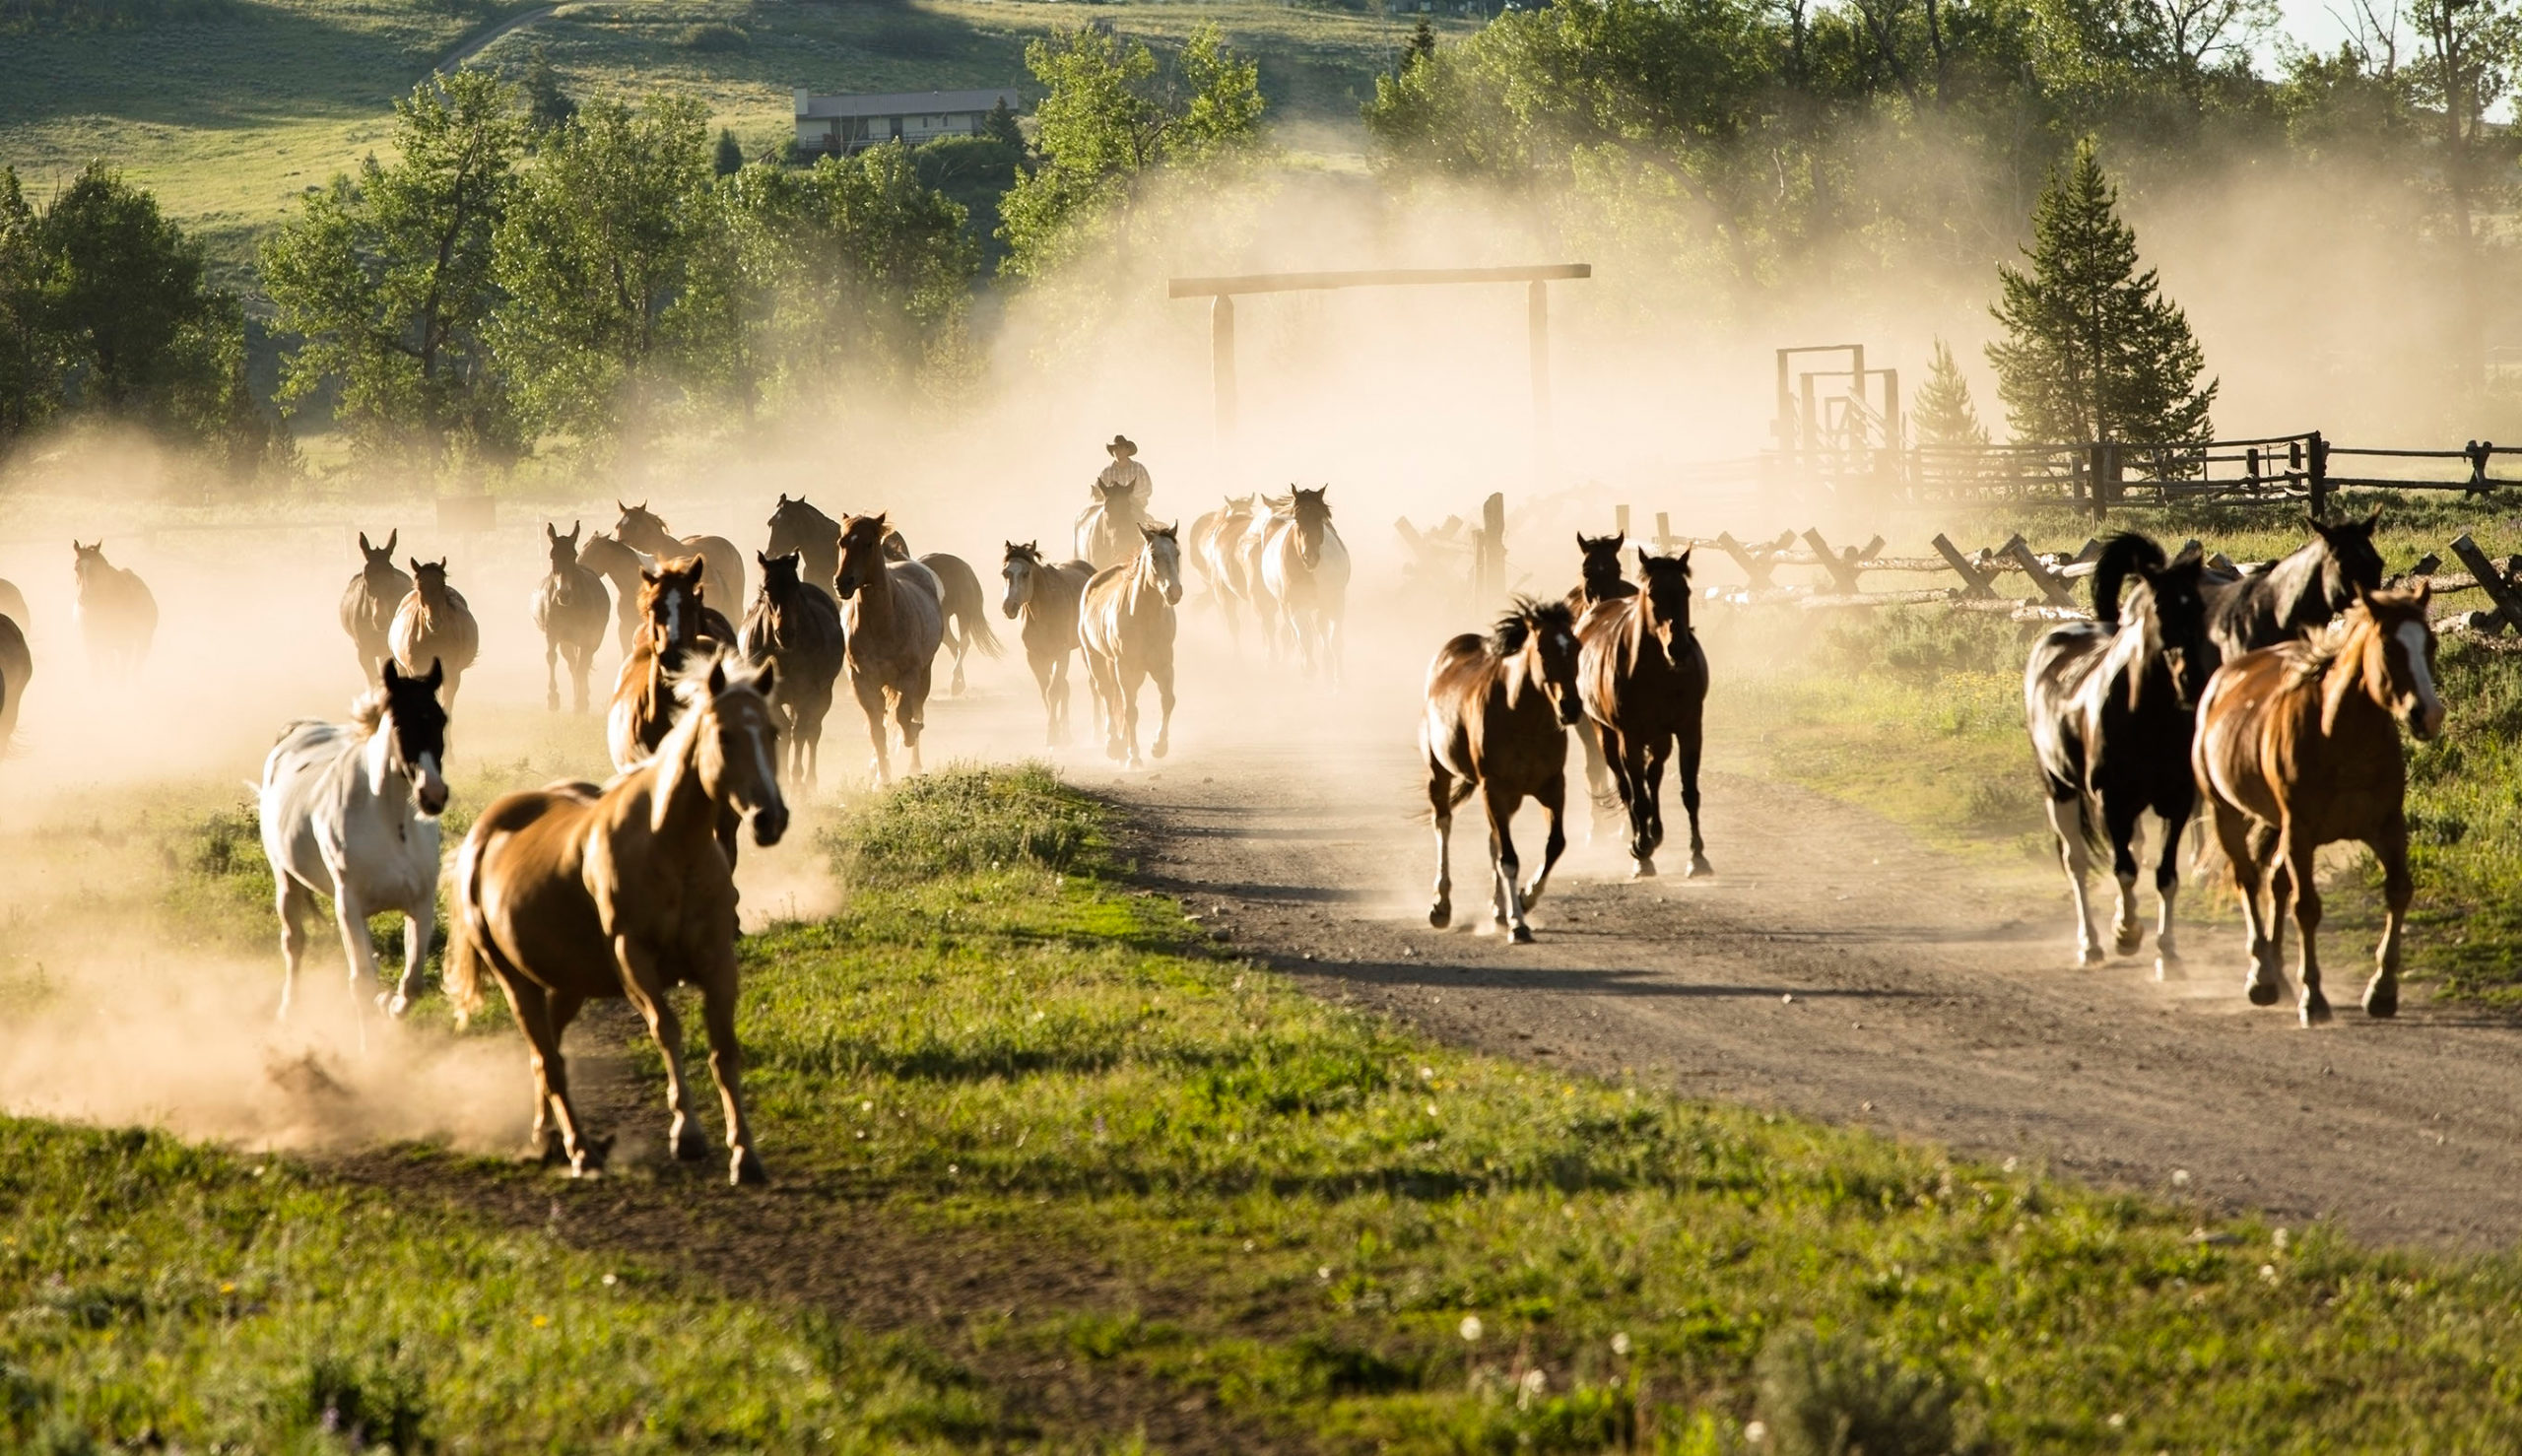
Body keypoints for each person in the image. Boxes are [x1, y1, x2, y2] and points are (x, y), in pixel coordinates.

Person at [1095, 434, 1153, 512]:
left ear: (1127, 450)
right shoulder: (1106, 472)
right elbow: (1098, 491)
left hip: (1135, 508)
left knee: (1144, 523)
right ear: (1112, 452)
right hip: (1111, 511)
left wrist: (1129, 497)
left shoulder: (1139, 468)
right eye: (1115, 448)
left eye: (1121, 447)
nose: (1118, 450)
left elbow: (1147, 489)